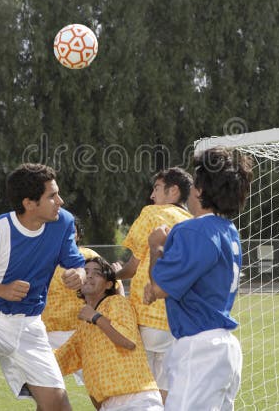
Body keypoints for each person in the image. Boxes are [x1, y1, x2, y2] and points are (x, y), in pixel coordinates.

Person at [0, 163, 86, 411]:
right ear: (29, 203)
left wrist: (78, 274)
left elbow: (77, 264)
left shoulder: (63, 222)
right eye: (52, 196)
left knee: (58, 406)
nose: (61, 201)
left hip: (30, 327)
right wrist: (1, 290)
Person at [145, 147, 253, 410]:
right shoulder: (229, 230)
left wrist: (156, 247)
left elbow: (159, 287)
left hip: (199, 347)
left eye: (194, 183)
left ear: (200, 190)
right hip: (224, 347)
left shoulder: (192, 230)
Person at [114, 168, 192, 400]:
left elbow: (133, 267)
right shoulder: (193, 224)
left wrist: (114, 274)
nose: (151, 195)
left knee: (142, 391)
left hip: (147, 315)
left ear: (173, 191)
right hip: (177, 318)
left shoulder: (152, 213)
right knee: (167, 389)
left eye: (157, 188)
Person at [55, 256, 163, 410]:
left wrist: (95, 317)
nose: (89, 275)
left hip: (137, 400)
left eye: (97, 273)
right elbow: (60, 359)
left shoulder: (117, 303)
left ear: (109, 284)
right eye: (85, 272)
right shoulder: (84, 327)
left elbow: (128, 341)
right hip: (109, 405)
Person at [44, 217, 100, 386]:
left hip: (81, 329)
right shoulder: (43, 257)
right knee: (47, 384)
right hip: (49, 332)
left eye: (71, 230)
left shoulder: (89, 256)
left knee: (95, 381)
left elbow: (113, 284)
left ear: (78, 235)